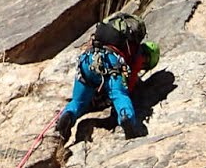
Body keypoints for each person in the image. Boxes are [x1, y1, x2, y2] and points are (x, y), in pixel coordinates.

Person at [55, 11, 160, 142]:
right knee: (120, 95)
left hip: (87, 60)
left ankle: (68, 116)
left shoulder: (116, 37)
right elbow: (128, 86)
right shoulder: (138, 54)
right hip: (111, 63)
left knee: (78, 102)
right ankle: (126, 119)